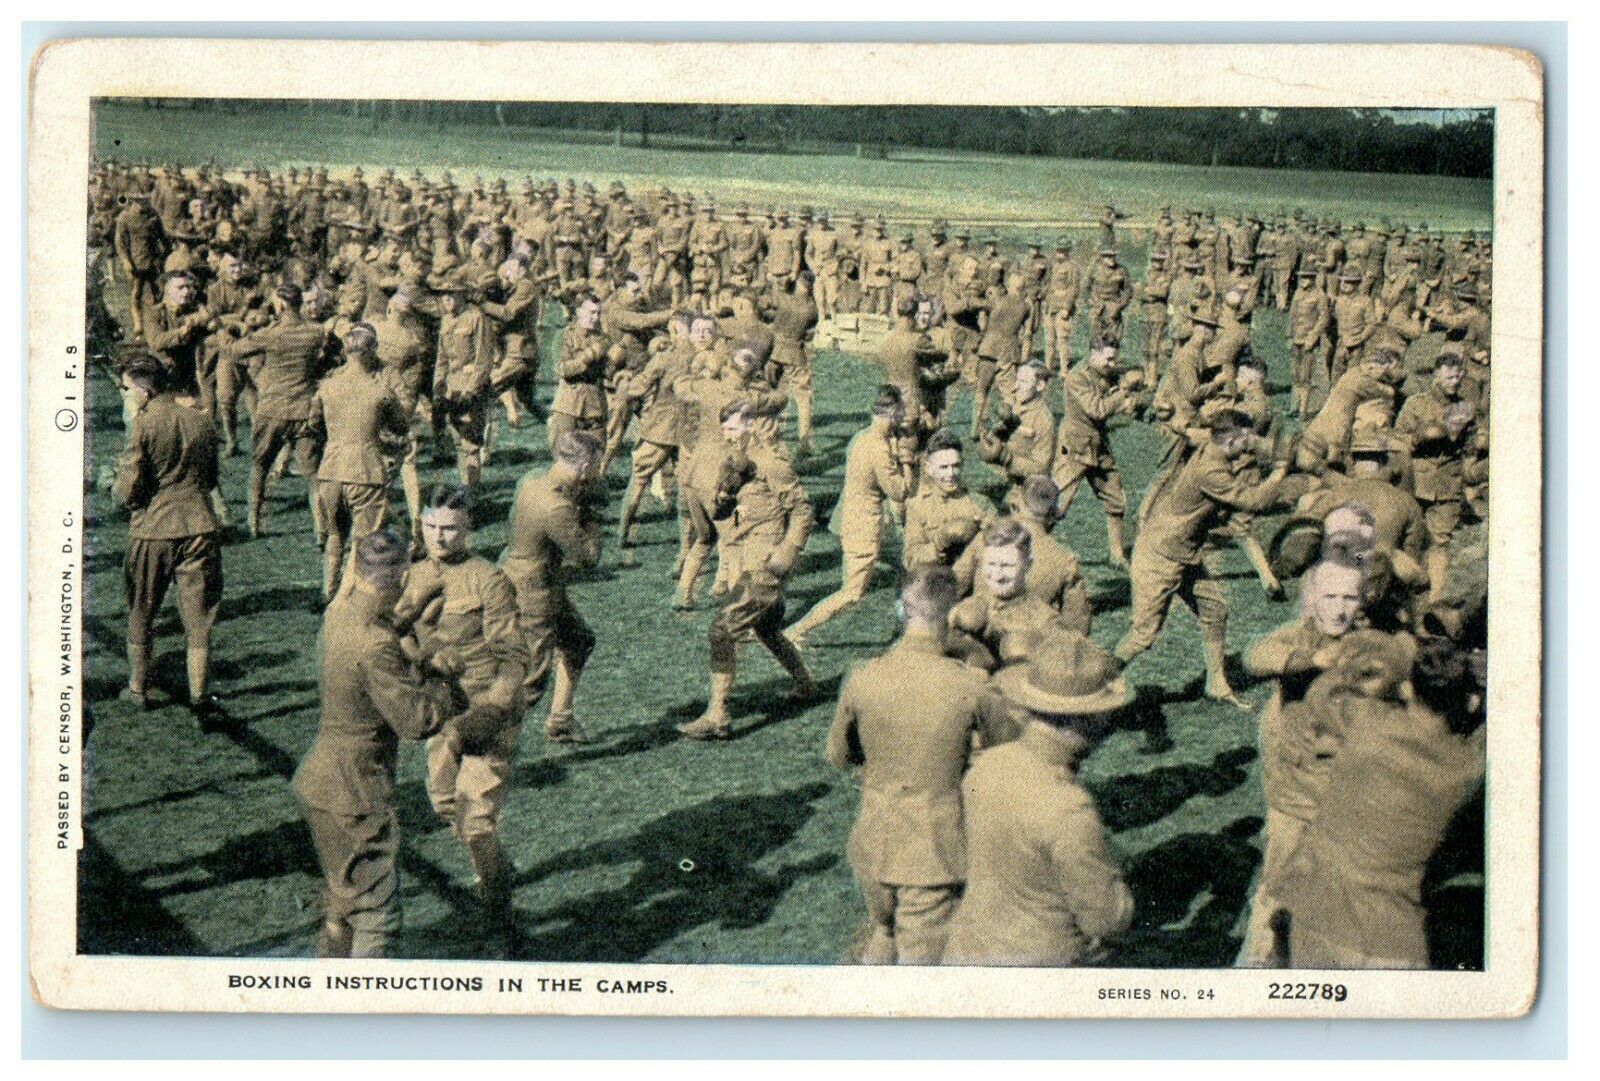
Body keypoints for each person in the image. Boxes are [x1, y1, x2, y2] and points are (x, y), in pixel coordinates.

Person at [1277, 635, 1486, 969]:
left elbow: (1321, 692)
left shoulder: (1366, 722)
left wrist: (1397, 660)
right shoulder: (1470, 771)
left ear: (1407, 690)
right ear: (1473, 702)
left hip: (1317, 913)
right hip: (1392, 939)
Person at [292, 528, 455, 958]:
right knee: (378, 916)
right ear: (400, 576)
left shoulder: (339, 612)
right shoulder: (376, 643)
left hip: (321, 781)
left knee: (342, 900)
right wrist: (444, 680)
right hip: (357, 789)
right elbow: (418, 722)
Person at [942, 631, 1135, 966]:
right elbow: (1106, 920)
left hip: (968, 953)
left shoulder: (987, 766)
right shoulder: (1069, 810)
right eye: (1104, 710)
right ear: (1085, 717)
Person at [825, 565, 986, 964]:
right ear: (950, 617)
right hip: (933, 851)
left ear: (901, 610)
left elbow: (838, 756)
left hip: (873, 842)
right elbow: (1001, 755)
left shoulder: (863, 677)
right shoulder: (970, 684)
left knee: (883, 933)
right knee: (922, 973)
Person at [397, 484, 531, 948]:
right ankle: (495, 865)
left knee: (476, 817)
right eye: (431, 526)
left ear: (467, 529)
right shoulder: (409, 577)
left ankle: (499, 911)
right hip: (441, 712)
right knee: (444, 804)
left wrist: (494, 711)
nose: (440, 538)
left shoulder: (488, 580)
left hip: (486, 711)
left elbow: (516, 659)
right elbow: (400, 636)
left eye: (450, 529)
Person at [1236, 554, 1369, 966]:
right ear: (1311, 599)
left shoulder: (1370, 646)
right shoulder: (1296, 638)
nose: (1340, 607)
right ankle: (1255, 971)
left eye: (1350, 597)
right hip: (1296, 794)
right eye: (1330, 596)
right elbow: (1254, 658)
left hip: (1348, 795)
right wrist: (1313, 662)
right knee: (1279, 883)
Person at [1115, 409, 1290, 707]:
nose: (1251, 443)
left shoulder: (1210, 446)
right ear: (1232, 439)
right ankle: (1093, 683)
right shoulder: (1211, 471)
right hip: (1161, 557)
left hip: (1182, 552)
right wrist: (1280, 471)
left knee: (1214, 610)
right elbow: (1254, 501)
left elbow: (1202, 435)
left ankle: (1216, 684)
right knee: (1143, 636)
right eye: (1246, 439)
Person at [678, 399, 816, 739]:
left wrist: (787, 553)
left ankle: (718, 715)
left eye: (735, 428)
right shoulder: (736, 462)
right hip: (745, 559)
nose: (728, 435)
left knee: (723, 628)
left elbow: (803, 510)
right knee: (766, 627)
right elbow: (724, 514)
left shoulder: (770, 462)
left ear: (752, 425)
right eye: (724, 428)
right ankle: (806, 685)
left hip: (766, 562)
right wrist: (724, 496)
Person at [112, 357, 226, 723]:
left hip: (154, 528)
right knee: (198, 617)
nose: (125, 395)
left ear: (145, 390)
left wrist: (113, 488)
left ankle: (138, 687)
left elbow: (128, 490)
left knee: (142, 610)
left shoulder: (143, 425)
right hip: (199, 524)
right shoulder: (201, 420)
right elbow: (210, 479)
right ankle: (200, 695)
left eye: (127, 388)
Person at [785, 386, 914, 647]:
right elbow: (900, 491)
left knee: (907, 566)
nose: (904, 417)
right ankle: (797, 630)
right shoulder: (879, 449)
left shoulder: (861, 437)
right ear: (892, 413)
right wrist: (908, 462)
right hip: (864, 526)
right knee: (852, 593)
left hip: (849, 517)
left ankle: (907, 627)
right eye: (901, 412)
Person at [500, 431, 605, 744]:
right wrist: (592, 514)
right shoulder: (556, 508)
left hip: (536, 581)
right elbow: (588, 557)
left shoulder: (530, 480)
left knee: (578, 641)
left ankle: (561, 719)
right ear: (585, 468)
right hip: (534, 594)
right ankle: (484, 747)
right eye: (596, 466)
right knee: (531, 680)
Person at [305, 322, 408, 599]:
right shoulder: (380, 391)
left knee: (335, 535)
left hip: (331, 470)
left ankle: (329, 589)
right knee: (363, 540)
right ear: (372, 351)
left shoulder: (327, 387)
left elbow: (313, 424)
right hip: (366, 471)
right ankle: (346, 596)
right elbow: (401, 426)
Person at [228, 281, 333, 538]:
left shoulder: (270, 334)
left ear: (282, 304)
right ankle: (322, 529)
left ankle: (254, 523)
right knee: (313, 474)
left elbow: (235, 351)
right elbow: (330, 355)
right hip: (304, 409)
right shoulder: (316, 332)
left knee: (260, 465)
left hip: (272, 408)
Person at [1053, 339, 1147, 568]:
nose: (1112, 364)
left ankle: (1116, 555)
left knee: (1116, 499)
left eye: (1114, 358)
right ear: (1093, 353)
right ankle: (1035, 547)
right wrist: (1123, 390)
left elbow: (1135, 374)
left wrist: (1136, 382)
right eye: (1108, 358)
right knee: (1058, 502)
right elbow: (1097, 409)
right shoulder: (1077, 377)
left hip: (1098, 445)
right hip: (1076, 445)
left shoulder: (1107, 370)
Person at [1393, 350, 1477, 602]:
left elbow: (1466, 441)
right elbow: (1397, 437)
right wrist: (1417, 437)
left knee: (1441, 542)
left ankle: (1436, 598)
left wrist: (1473, 444)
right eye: (1450, 377)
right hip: (1417, 483)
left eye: (1458, 378)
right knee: (1412, 540)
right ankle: (1410, 591)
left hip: (1447, 486)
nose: (1455, 382)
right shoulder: (1415, 404)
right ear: (1436, 375)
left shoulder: (1464, 407)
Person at [947, 518, 1065, 675]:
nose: (997, 575)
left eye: (1007, 566)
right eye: (991, 564)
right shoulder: (966, 608)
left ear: (1028, 565)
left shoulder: (1045, 621)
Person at [902, 429, 992, 573]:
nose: (951, 474)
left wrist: (988, 527)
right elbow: (911, 560)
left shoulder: (980, 502)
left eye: (955, 466)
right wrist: (940, 542)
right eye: (944, 467)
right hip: (936, 582)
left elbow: (1003, 544)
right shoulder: (917, 506)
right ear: (929, 469)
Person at [976, 360, 1056, 509]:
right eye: (1017, 380)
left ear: (1040, 386)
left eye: (1024, 381)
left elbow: (1042, 468)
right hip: (1000, 483)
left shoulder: (1044, 421)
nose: (1016, 386)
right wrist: (988, 438)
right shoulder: (1011, 404)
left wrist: (1006, 458)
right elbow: (989, 444)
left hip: (1027, 493)